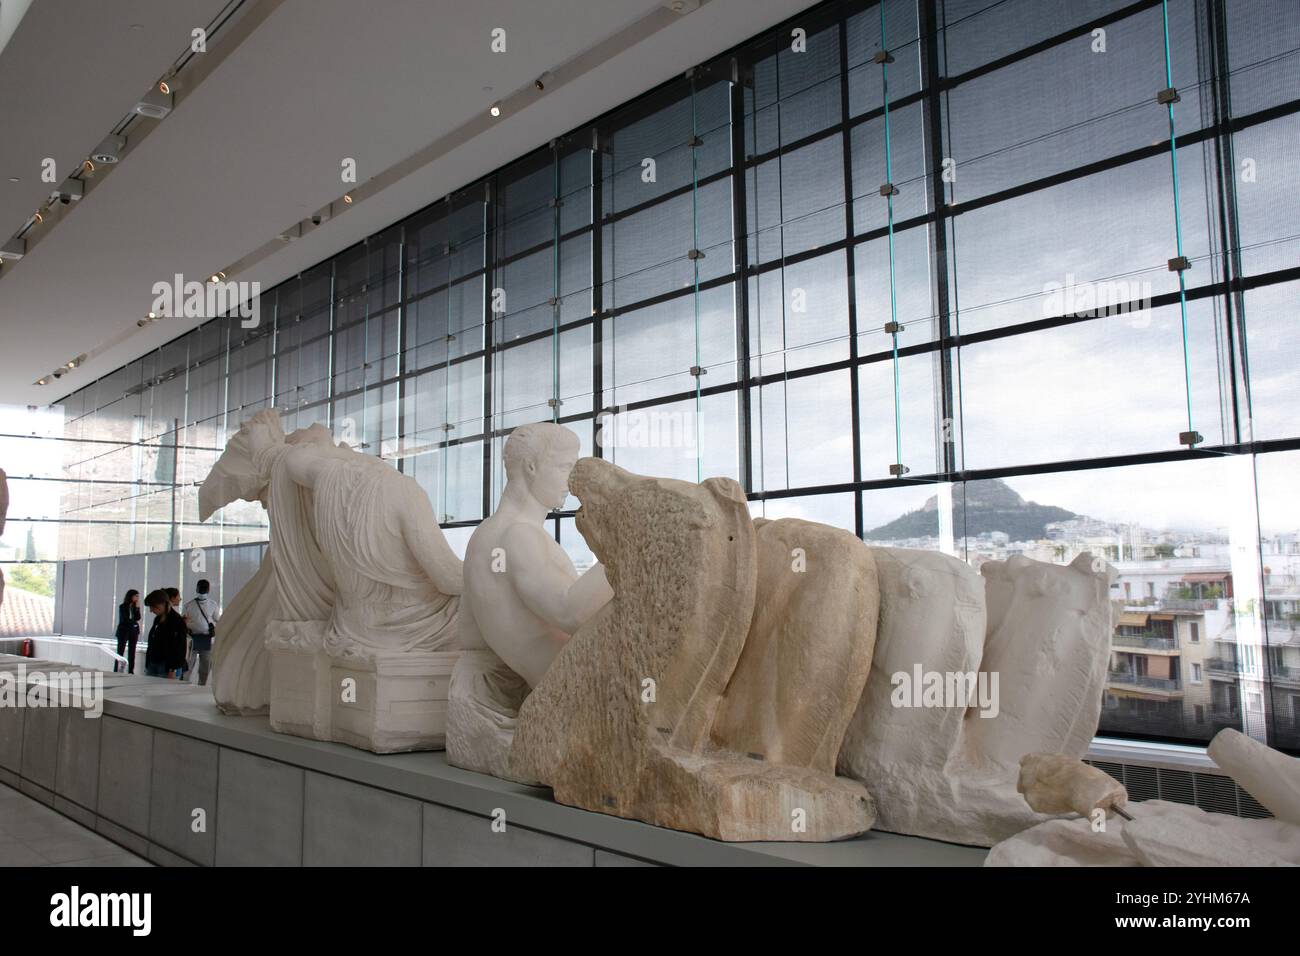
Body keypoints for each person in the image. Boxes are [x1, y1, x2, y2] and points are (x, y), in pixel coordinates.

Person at [183, 579, 221, 686]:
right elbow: (183, 621)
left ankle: (201, 685)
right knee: (189, 666)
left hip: (206, 639)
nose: (202, 589)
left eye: (204, 587)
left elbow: (218, 620)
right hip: (192, 639)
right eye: (201, 587)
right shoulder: (189, 605)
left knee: (205, 666)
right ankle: (185, 686)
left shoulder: (212, 604)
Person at [143, 590, 188, 679]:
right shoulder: (157, 619)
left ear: (162, 604)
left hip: (168, 666)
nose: (151, 610)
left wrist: (173, 669)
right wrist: (148, 663)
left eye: (153, 607)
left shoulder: (177, 621)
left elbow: (180, 648)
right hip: (153, 663)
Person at [114, 590, 142, 674]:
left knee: (132, 652)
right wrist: (134, 624)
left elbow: (138, 618)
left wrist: (137, 608)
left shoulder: (135, 607)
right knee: (120, 652)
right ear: (131, 596)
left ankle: (131, 671)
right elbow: (125, 619)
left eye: (138, 596)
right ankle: (117, 670)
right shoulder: (122, 606)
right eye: (136, 596)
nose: (137, 598)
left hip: (133, 632)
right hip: (123, 631)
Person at [165, 587, 185, 678]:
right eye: (178, 596)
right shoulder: (174, 618)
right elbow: (175, 645)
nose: (180, 599)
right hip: (172, 665)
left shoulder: (175, 618)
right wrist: (172, 669)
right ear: (172, 598)